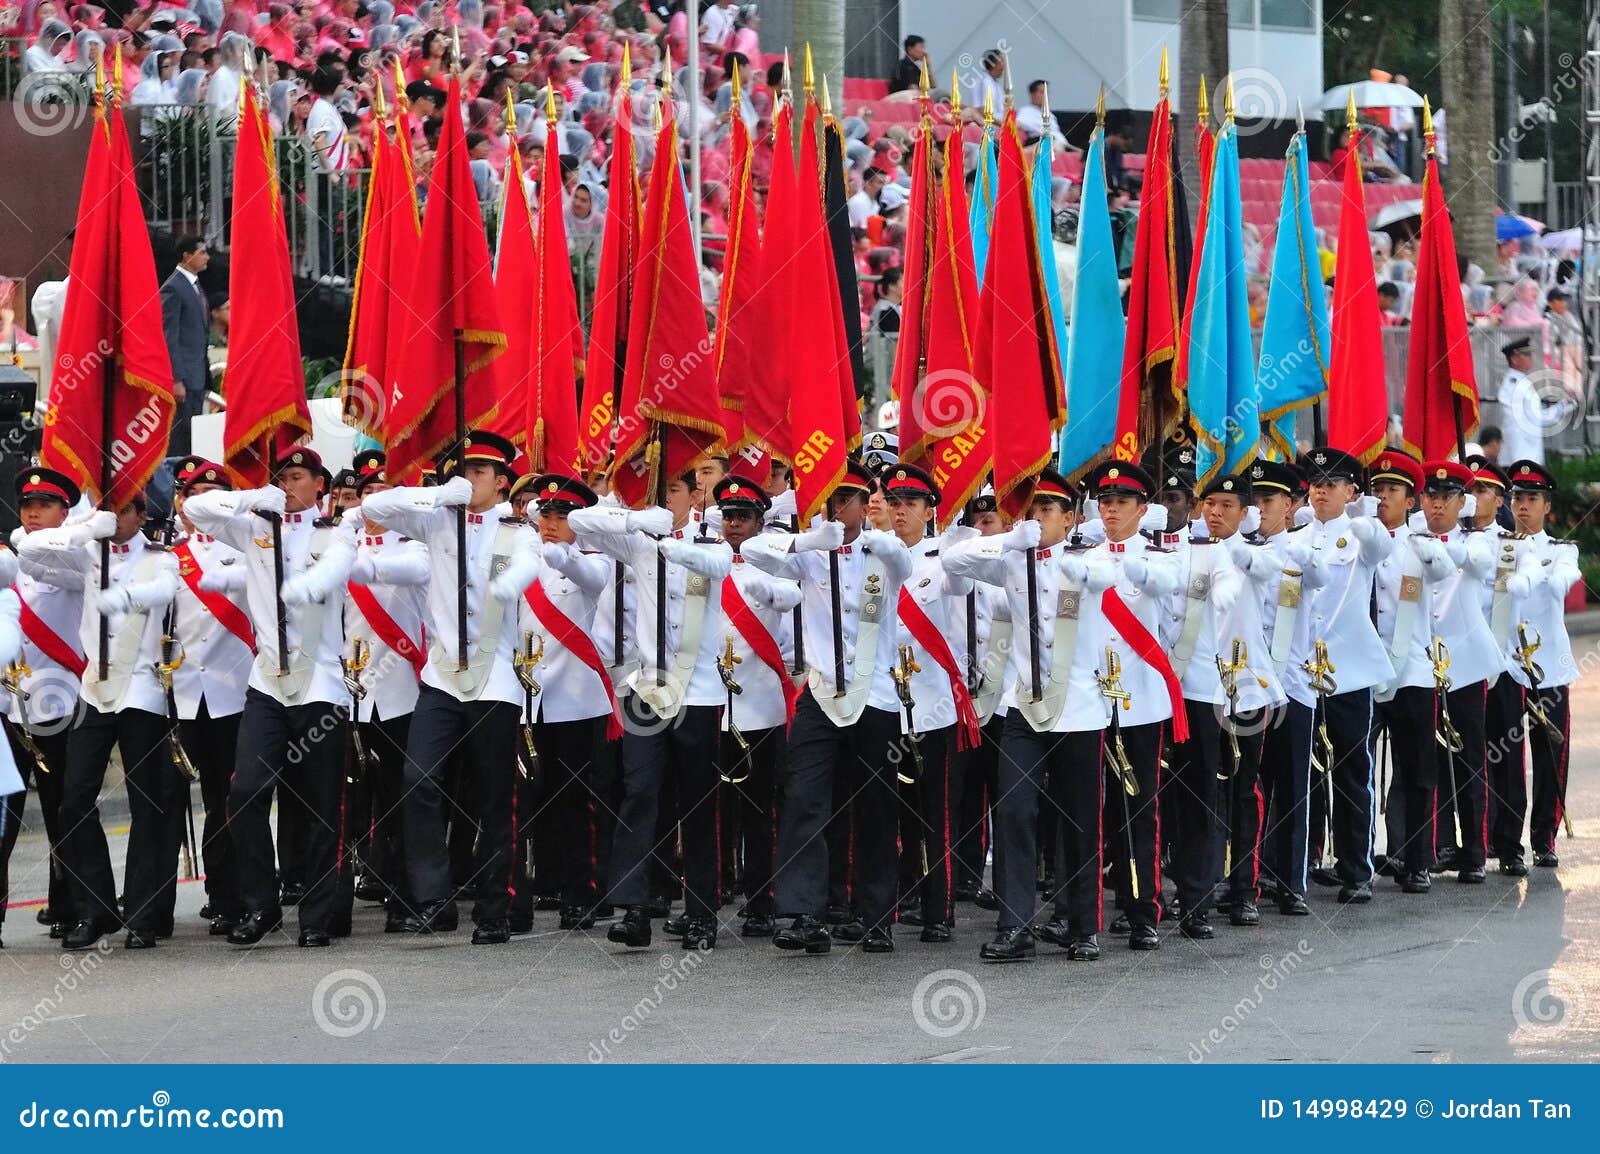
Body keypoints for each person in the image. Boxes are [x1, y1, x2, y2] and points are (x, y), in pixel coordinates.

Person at [357, 432, 541, 944]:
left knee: (493, 796)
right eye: (461, 469)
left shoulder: (516, 530)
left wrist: (507, 583)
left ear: (502, 482)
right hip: (441, 676)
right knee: (418, 780)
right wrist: (438, 495)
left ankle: (495, 908)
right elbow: (378, 503)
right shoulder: (437, 516)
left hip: (492, 673)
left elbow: (528, 564)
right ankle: (434, 899)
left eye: (478, 471)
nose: (466, 477)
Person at [183, 447, 359, 948]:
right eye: (280, 477)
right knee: (244, 795)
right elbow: (196, 510)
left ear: (320, 484)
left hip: (319, 683)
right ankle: (261, 905)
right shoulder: (255, 527)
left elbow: (339, 567)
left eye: (296, 477)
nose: (286, 485)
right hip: (266, 683)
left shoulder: (335, 534)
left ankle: (319, 915)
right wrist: (254, 496)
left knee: (323, 805)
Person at [741, 461, 914, 953]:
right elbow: (752, 549)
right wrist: (805, 541)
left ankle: (876, 915)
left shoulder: (884, 552)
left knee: (877, 807)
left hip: (874, 693)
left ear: (867, 503)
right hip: (820, 693)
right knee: (803, 800)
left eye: (850, 499)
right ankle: (803, 914)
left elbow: (906, 563)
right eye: (831, 499)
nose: (840, 508)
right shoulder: (810, 553)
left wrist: (875, 538)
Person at [568, 472, 733, 951]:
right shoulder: (639, 539)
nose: (664, 501)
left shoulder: (711, 540)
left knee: (697, 803)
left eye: (672, 492)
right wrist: (640, 519)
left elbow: (716, 567)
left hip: (698, 691)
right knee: (639, 792)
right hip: (647, 688)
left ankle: (701, 912)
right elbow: (578, 520)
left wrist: (672, 546)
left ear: (692, 496)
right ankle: (635, 908)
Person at [946, 469, 1106, 962]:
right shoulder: (1014, 561)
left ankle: (1083, 926)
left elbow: (1108, 574)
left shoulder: (1087, 561)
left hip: (1077, 709)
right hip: (1023, 708)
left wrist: (1081, 566)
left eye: (1047, 510)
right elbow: (954, 560)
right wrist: (1010, 541)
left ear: (1071, 518)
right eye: (1032, 509)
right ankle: (1015, 925)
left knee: (1079, 819)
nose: (1037, 518)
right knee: (1014, 810)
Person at [19, 493, 180, 951]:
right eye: (110, 510)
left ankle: (145, 913)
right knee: (73, 801)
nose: (116, 520)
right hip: (95, 689)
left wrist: (125, 595)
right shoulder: (87, 553)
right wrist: (89, 526)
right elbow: (29, 552)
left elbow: (164, 591)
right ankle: (96, 909)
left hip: (140, 689)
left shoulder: (159, 558)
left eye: (124, 511)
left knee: (146, 803)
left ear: (142, 516)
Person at [511, 473, 625, 931]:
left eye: (562, 516)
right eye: (546, 515)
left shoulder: (594, 562)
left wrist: (562, 551)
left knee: (579, 800)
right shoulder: (524, 558)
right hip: (530, 695)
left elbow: (587, 576)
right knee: (530, 797)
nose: (551, 523)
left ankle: (585, 892)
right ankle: (538, 884)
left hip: (577, 698)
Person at [1174, 471, 1283, 936]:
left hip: (1246, 688)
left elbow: (1265, 573)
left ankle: (1244, 889)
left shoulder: (1258, 555)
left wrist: (1232, 547)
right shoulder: (1183, 552)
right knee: (1198, 793)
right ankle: (1196, 894)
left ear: (1246, 513)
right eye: (1210, 503)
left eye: (1227, 505)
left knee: (1244, 791)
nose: (1216, 512)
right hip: (1198, 689)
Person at [1290, 448, 1394, 905]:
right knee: (1302, 774)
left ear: (1352, 491)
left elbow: (1379, 546)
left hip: (1345, 671)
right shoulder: (1294, 535)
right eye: (1315, 481)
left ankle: (1357, 868)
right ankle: (1303, 864)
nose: (1320, 489)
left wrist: (1362, 516)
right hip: (1299, 672)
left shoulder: (1361, 537)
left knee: (1353, 772)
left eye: (1332, 483)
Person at [167, 458, 256, 937]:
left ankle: (234, 895)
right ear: (180, 503)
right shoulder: (167, 558)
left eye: (210, 493)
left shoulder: (244, 551)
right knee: (200, 797)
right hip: (184, 697)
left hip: (234, 693)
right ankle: (212, 893)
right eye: (191, 493)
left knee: (232, 796)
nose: (198, 502)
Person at [341, 452, 428, 932]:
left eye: (381, 492)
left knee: (399, 795)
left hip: (399, 689)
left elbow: (405, 577)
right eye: (366, 492)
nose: (372, 500)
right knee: (351, 797)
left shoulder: (413, 546)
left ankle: (404, 895)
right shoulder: (338, 544)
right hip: (351, 687)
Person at [710, 475, 801, 938]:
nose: (734, 525)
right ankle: (715, 891)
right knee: (717, 807)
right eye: (728, 517)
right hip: (716, 701)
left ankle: (763, 897)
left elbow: (791, 598)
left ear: (760, 522)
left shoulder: (773, 562)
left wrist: (773, 591)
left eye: (743, 517)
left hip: (762, 700)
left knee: (761, 807)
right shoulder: (710, 563)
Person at [0, 469, 85, 949]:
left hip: (57, 705)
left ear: (65, 512)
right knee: (3, 819)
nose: (33, 511)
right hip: (8, 709)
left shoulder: (73, 562)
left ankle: (69, 904)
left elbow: (52, 567)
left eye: (46, 503)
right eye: (28, 502)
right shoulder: (6, 564)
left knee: (60, 811)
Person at [1364, 451, 1446, 894]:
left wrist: (1429, 541)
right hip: (1364, 671)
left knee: (1417, 771)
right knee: (1357, 768)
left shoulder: (1419, 546)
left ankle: (1416, 859)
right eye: (1376, 489)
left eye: (1392, 490)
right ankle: (1357, 857)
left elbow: (1445, 568)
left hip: (1411, 673)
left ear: (1410, 500)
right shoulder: (1359, 542)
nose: (1381, 498)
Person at [1418, 459, 1502, 885]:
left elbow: (1476, 564)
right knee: (1427, 760)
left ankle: (1474, 850)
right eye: (1431, 496)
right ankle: (1436, 846)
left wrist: (1439, 544)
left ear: (1462, 502)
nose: (1437, 504)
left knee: (1470, 759)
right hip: (1420, 666)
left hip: (1464, 667)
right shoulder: (1409, 542)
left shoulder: (1478, 543)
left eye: (1447, 497)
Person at [1241, 458, 1313, 916]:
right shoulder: (1239, 549)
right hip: (1246, 685)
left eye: (1268, 501)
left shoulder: (1301, 551)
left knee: (1290, 785)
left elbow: (1321, 577)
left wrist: (1304, 552)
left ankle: (1290, 879)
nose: (1259, 509)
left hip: (1291, 683)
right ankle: (1244, 878)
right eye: (1255, 501)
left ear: (1289, 506)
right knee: (1245, 785)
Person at [1502, 460, 1580, 869]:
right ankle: (1509, 843)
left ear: (1547, 506)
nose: (1523, 505)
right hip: (1507, 667)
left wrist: (1555, 577)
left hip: (1548, 666)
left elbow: (1567, 575)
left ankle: (1544, 838)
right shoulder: (1498, 547)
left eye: (1532, 498)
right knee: (1507, 757)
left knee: (1550, 753)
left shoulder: (1560, 551)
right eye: (1517, 497)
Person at [159, 236, 212, 457]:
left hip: (197, 375)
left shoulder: (195, 286)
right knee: (180, 435)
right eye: (201, 252)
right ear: (187, 256)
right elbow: (169, 336)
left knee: (193, 434)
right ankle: (176, 481)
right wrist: (176, 379)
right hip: (184, 378)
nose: (206, 257)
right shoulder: (173, 288)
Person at [1496, 336, 1573, 466]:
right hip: (1521, 456)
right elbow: (1538, 418)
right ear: (1514, 359)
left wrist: (1563, 406)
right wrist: (1564, 406)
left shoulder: (1520, 382)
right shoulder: (1516, 386)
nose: (1530, 357)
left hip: (1524, 455)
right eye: (1526, 354)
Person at [848, 166, 885, 230]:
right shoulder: (859, 201)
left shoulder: (875, 201)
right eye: (880, 182)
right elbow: (861, 229)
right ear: (868, 183)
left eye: (884, 183)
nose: (883, 186)